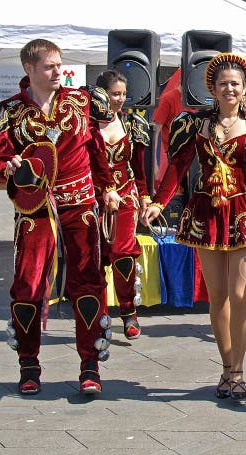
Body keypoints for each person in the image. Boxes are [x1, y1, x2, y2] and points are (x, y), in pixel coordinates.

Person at [142, 53, 246, 401]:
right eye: (223, 84)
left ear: (245, 88)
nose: (229, 89)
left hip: (245, 213)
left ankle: (239, 370)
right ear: (213, 89)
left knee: (239, 294)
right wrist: (158, 201)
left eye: (235, 83)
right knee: (217, 296)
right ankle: (226, 365)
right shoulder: (196, 124)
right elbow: (178, 166)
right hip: (206, 213)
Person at [0, 38, 120, 395]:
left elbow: (97, 149)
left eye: (59, 64)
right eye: (49, 66)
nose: (57, 72)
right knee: (28, 285)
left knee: (88, 282)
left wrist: (108, 187)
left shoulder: (81, 102)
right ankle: (28, 365)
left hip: (80, 205)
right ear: (29, 68)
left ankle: (90, 366)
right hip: (35, 210)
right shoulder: (10, 113)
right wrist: (8, 167)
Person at [94, 70, 151, 340]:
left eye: (123, 94)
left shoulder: (132, 124)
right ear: (101, 94)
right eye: (114, 94)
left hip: (126, 198)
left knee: (123, 254)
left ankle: (129, 313)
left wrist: (145, 197)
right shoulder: (86, 125)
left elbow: (139, 169)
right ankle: (99, 316)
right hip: (93, 200)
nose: (119, 99)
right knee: (94, 258)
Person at [152, 69, 197, 181]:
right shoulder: (168, 99)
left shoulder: (197, 99)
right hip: (175, 161)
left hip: (195, 161)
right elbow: (154, 133)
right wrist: (154, 164)